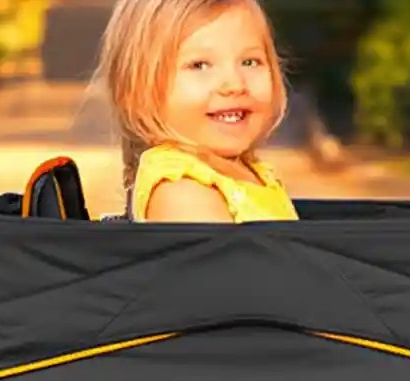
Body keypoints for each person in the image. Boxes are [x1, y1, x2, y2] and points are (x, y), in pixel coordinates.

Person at [94, 0, 299, 223]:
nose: (234, 84)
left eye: (250, 62)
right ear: (137, 91)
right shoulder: (183, 190)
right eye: (199, 65)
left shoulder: (245, 172)